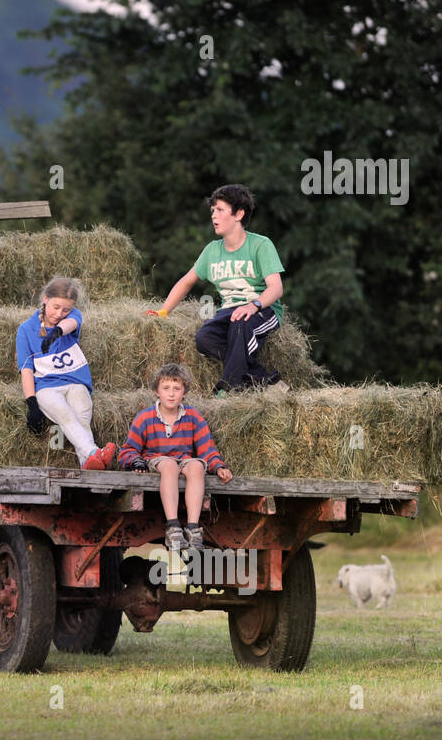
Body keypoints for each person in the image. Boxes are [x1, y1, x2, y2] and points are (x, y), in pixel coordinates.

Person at [148, 184, 286, 394]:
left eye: (220, 210)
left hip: (263, 310)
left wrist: (254, 305)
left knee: (240, 324)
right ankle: (264, 379)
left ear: (239, 214)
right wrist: (164, 311)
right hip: (230, 312)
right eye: (212, 211)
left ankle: (228, 387)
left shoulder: (260, 245)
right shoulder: (212, 251)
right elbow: (186, 281)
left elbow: (276, 288)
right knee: (204, 338)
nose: (214, 216)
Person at [85, 364, 232, 551]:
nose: (171, 394)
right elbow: (127, 450)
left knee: (196, 466)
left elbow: (207, 450)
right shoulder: (145, 418)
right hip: (157, 459)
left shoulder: (193, 417)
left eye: (177, 389)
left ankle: (193, 529)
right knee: (169, 465)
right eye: (166, 388)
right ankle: (173, 526)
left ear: (184, 393)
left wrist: (218, 467)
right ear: (157, 391)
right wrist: (135, 461)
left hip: (183, 460)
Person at [17, 277, 98, 466]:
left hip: (76, 383)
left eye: (65, 309)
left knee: (82, 419)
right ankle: (94, 453)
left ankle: (89, 463)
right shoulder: (26, 330)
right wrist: (32, 404)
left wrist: (57, 332)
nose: (59, 313)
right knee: (65, 415)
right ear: (45, 299)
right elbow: (26, 369)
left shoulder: (72, 317)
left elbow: (72, 323)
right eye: (55, 307)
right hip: (47, 387)